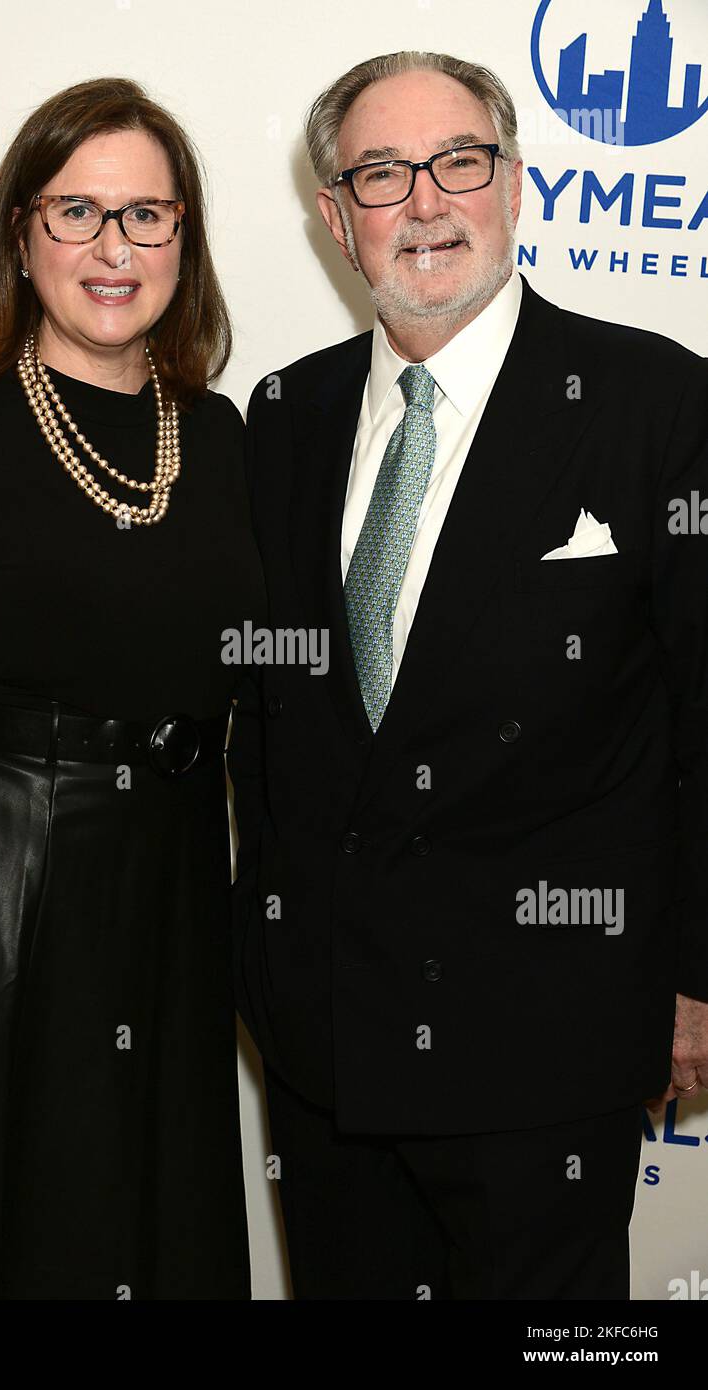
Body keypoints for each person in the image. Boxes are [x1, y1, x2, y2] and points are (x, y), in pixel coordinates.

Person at [228, 50, 708, 1300]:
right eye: (381, 173)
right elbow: (270, 720)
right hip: (326, 1048)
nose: (426, 201)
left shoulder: (656, 401)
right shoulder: (282, 415)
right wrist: (263, 966)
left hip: (550, 1042)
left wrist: (694, 977)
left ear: (514, 183)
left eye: (458, 161)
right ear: (335, 217)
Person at [0, 75, 263, 1300]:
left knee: (143, 1219)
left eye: (146, 215)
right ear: (21, 235)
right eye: (76, 212)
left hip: (171, 889)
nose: (112, 247)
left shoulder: (224, 440)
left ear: (183, 237)